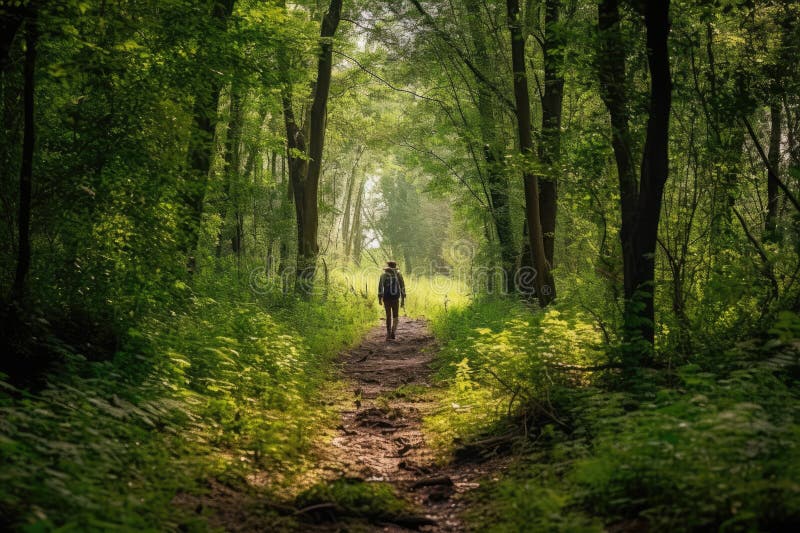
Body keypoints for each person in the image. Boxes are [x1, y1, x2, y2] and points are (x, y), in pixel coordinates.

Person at [378, 261, 406, 341]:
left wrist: (380, 298)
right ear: (395, 267)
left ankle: (388, 333)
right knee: (395, 316)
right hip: (395, 298)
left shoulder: (383, 275)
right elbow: (402, 287)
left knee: (388, 316)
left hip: (386, 298)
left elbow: (380, 287)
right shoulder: (398, 275)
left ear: (388, 267)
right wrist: (403, 299)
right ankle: (393, 332)